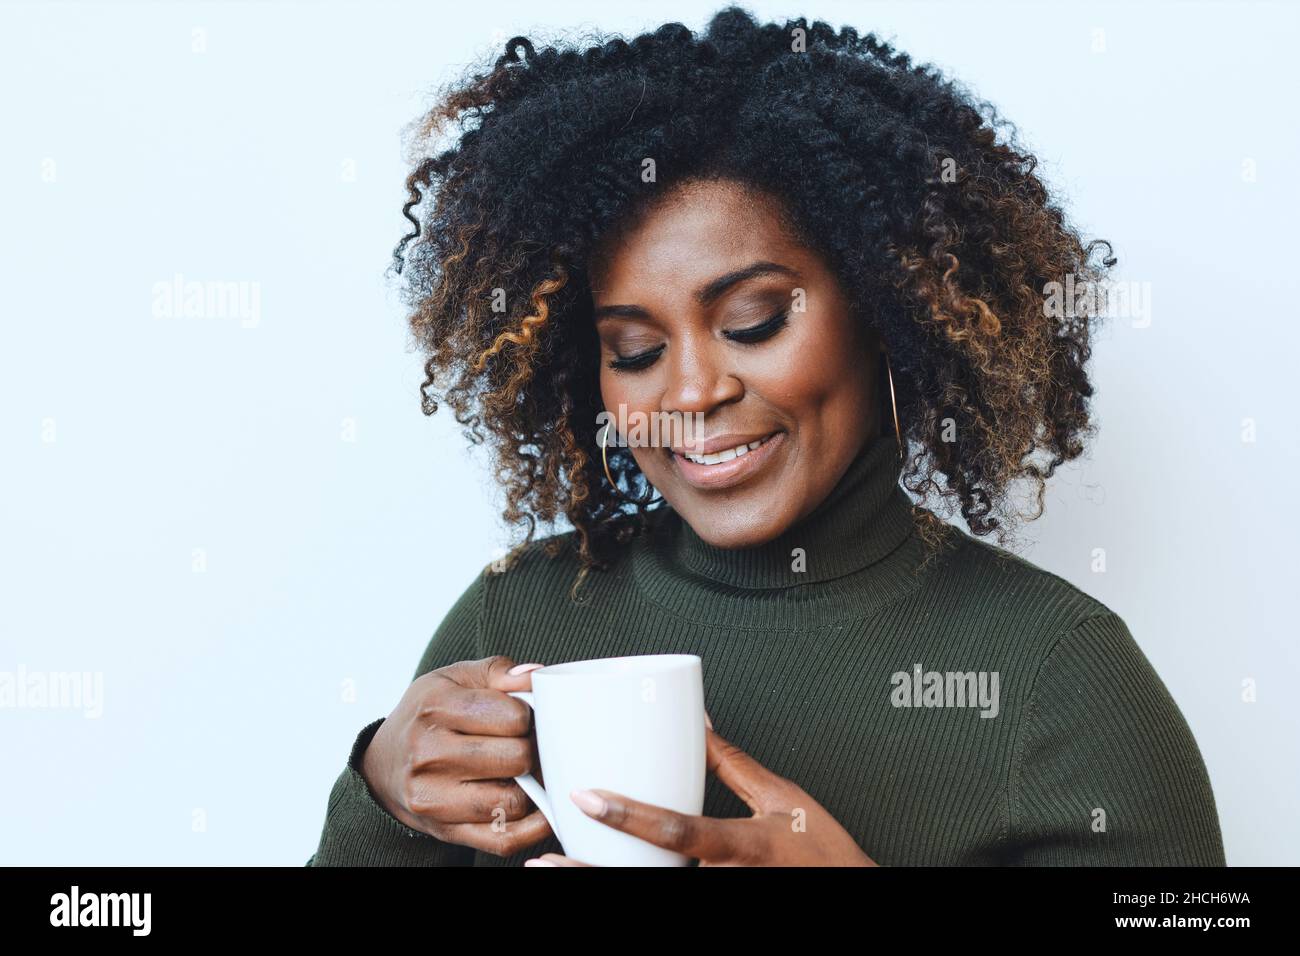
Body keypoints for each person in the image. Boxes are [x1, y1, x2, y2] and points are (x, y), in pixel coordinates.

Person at [307, 7, 1224, 866]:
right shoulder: (515, 624)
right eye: (633, 349)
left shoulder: (1059, 677)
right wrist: (385, 793)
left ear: (885, 312)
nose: (693, 392)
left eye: (752, 322)